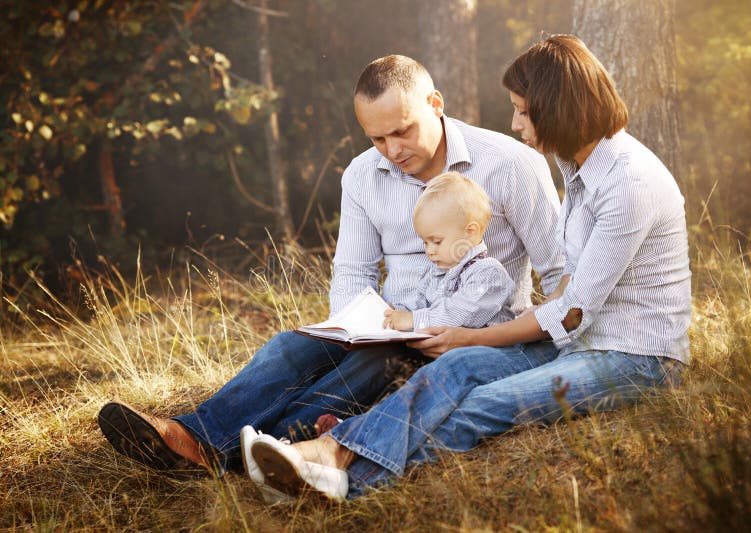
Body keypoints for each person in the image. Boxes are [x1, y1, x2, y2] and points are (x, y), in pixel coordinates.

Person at [244, 34, 692, 502]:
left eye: (523, 110)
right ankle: (325, 455)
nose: (516, 123)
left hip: (633, 358)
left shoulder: (628, 183)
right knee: (452, 369)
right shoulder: (580, 167)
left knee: (480, 404)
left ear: (559, 107)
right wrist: (459, 343)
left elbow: (572, 312)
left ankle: (342, 478)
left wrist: (470, 335)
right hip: (577, 344)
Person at [97, 54, 563, 476]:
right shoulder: (362, 174)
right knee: (291, 348)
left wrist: (510, 338)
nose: (393, 150)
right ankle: (192, 436)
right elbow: (354, 275)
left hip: (469, 332)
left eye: (402, 131)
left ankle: (256, 451)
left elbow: (560, 273)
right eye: (377, 138)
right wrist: (356, 329)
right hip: (391, 325)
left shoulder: (511, 165)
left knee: (366, 370)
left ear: (435, 103)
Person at [383, 171, 515, 332]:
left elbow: (459, 315)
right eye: (425, 242)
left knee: (456, 358)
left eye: (437, 241)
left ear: (471, 231)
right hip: (444, 346)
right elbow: (420, 304)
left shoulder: (489, 273)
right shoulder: (438, 272)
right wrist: (398, 312)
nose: (429, 251)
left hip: (487, 350)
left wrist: (412, 320)